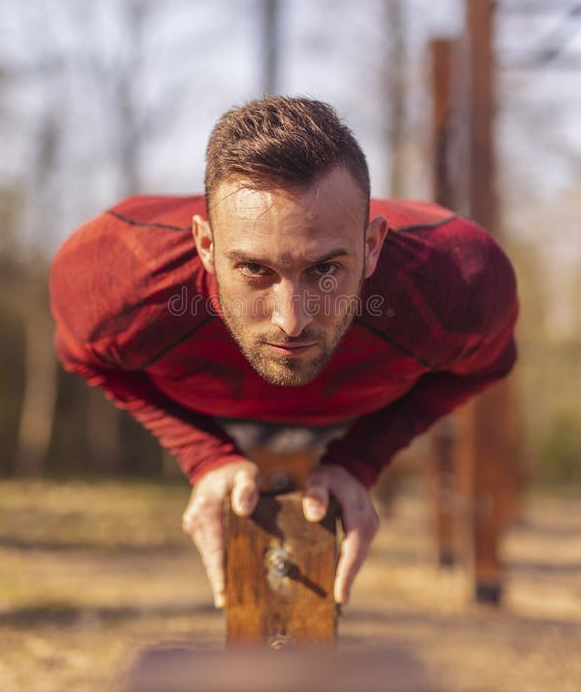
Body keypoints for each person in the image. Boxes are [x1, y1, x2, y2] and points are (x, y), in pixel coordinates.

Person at [49, 96, 519, 609]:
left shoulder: (459, 285)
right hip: (212, 410)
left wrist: (360, 458)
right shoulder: (115, 278)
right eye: (255, 269)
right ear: (205, 245)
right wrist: (205, 456)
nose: (291, 321)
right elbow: (87, 358)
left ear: (373, 246)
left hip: (356, 412)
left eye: (325, 269)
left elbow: (486, 366)